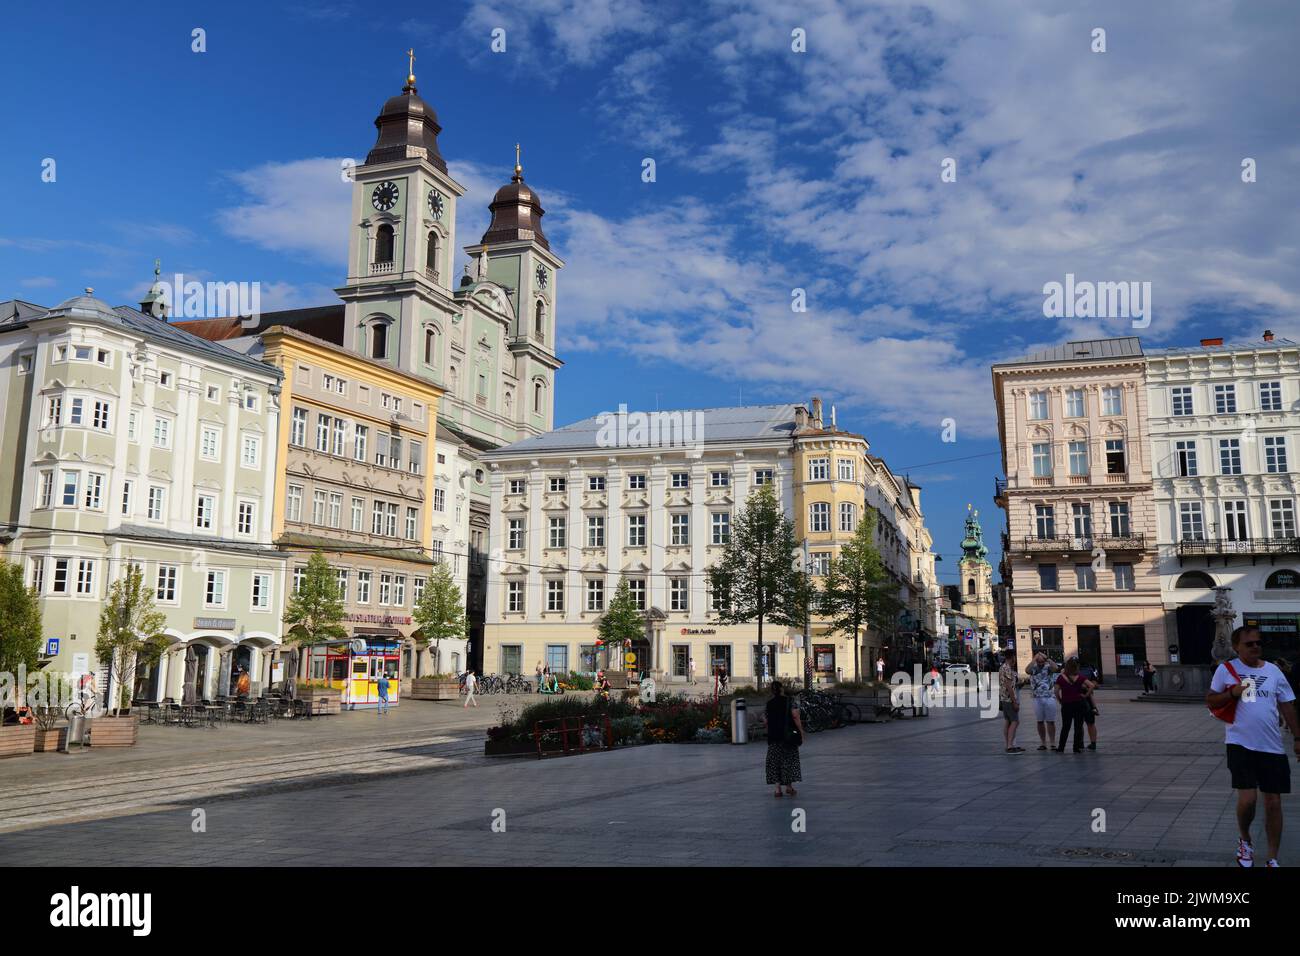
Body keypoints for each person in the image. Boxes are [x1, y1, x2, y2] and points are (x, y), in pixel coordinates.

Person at [1207, 625, 1300, 868]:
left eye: (1258, 642)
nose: (1256, 647)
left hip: (1272, 747)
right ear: (1236, 647)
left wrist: (1298, 738)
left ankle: (1272, 858)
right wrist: (1232, 693)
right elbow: (1211, 700)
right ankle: (1245, 840)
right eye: (1249, 644)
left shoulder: (1274, 671)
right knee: (1248, 800)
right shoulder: (1226, 670)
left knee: (1274, 803)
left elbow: (1288, 705)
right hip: (1240, 744)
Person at [764, 680, 804, 797]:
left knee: (775, 762)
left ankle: (777, 789)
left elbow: (766, 720)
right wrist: (801, 731)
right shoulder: (790, 701)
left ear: (772, 691)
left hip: (773, 736)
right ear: (782, 689)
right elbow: (795, 716)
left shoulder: (769, 703)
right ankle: (789, 787)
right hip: (787, 736)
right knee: (788, 761)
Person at [1025, 653, 1060, 750]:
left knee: (1050, 721)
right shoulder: (1033, 668)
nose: (1040, 663)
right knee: (1039, 721)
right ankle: (1043, 743)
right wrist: (1034, 659)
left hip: (1049, 697)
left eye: (1042, 661)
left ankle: (1052, 743)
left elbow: (1056, 668)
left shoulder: (1048, 667)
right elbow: (1027, 670)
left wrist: (1047, 658)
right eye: (1038, 661)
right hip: (1037, 697)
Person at [1054, 659, 1089, 753]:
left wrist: (1060, 700)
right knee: (1078, 726)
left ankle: (1061, 747)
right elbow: (1091, 686)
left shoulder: (1061, 678)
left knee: (1065, 726)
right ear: (1076, 667)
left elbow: (1056, 691)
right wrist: (1085, 695)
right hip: (1079, 703)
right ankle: (1076, 748)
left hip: (1066, 704)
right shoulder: (1080, 677)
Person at [998, 651, 1024, 753]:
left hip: (1004, 698)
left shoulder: (1002, 667)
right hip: (1009, 699)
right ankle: (1010, 746)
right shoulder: (1007, 668)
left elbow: (1008, 684)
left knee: (1008, 722)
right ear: (1012, 657)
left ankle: (1009, 744)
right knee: (1015, 721)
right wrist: (1014, 701)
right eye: (1015, 657)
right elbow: (1009, 686)